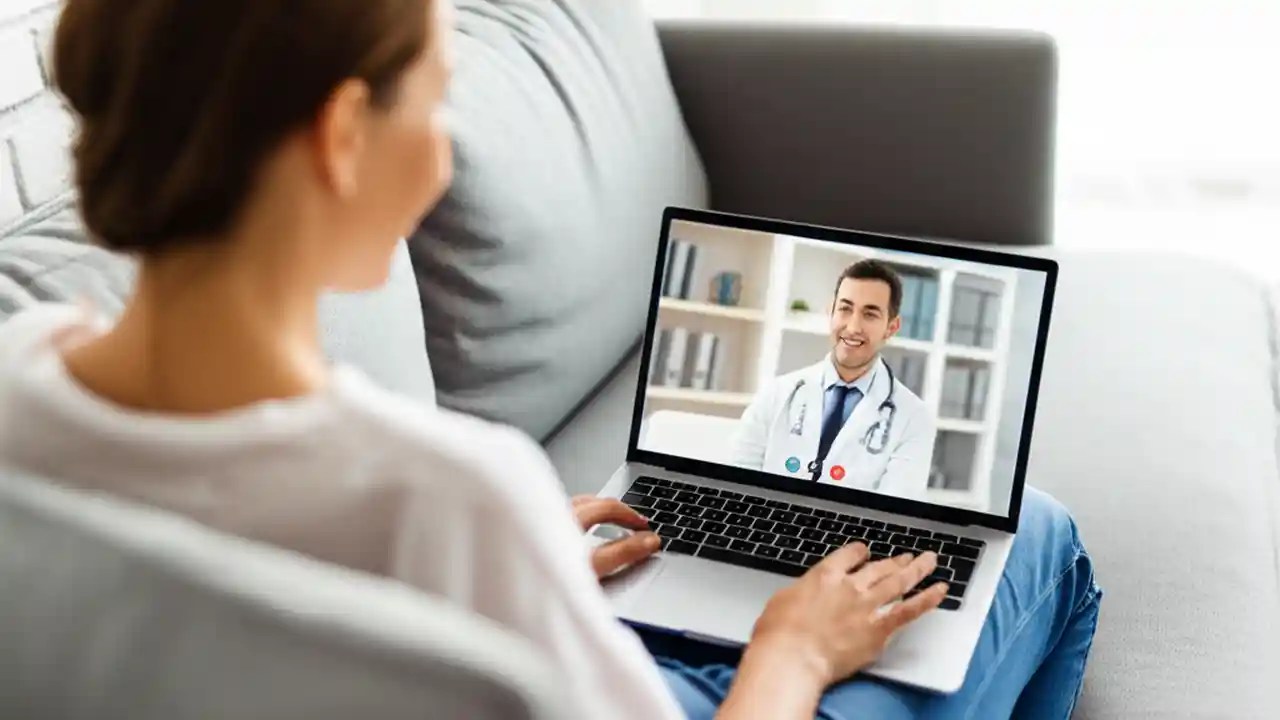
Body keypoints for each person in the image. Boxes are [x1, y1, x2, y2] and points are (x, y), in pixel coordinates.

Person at [0, 1, 1101, 718]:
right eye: (435, 102)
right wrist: (791, 654)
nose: (443, 154)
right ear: (341, 137)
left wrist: (499, 578)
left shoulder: (18, 394)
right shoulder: (453, 497)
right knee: (1038, 538)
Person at [731, 260, 936, 499]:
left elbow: (896, 510)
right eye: (845, 309)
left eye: (870, 314)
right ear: (831, 311)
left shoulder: (914, 418)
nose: (853, 326)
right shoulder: (776, 393)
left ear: (891, 327)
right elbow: (737, 482)